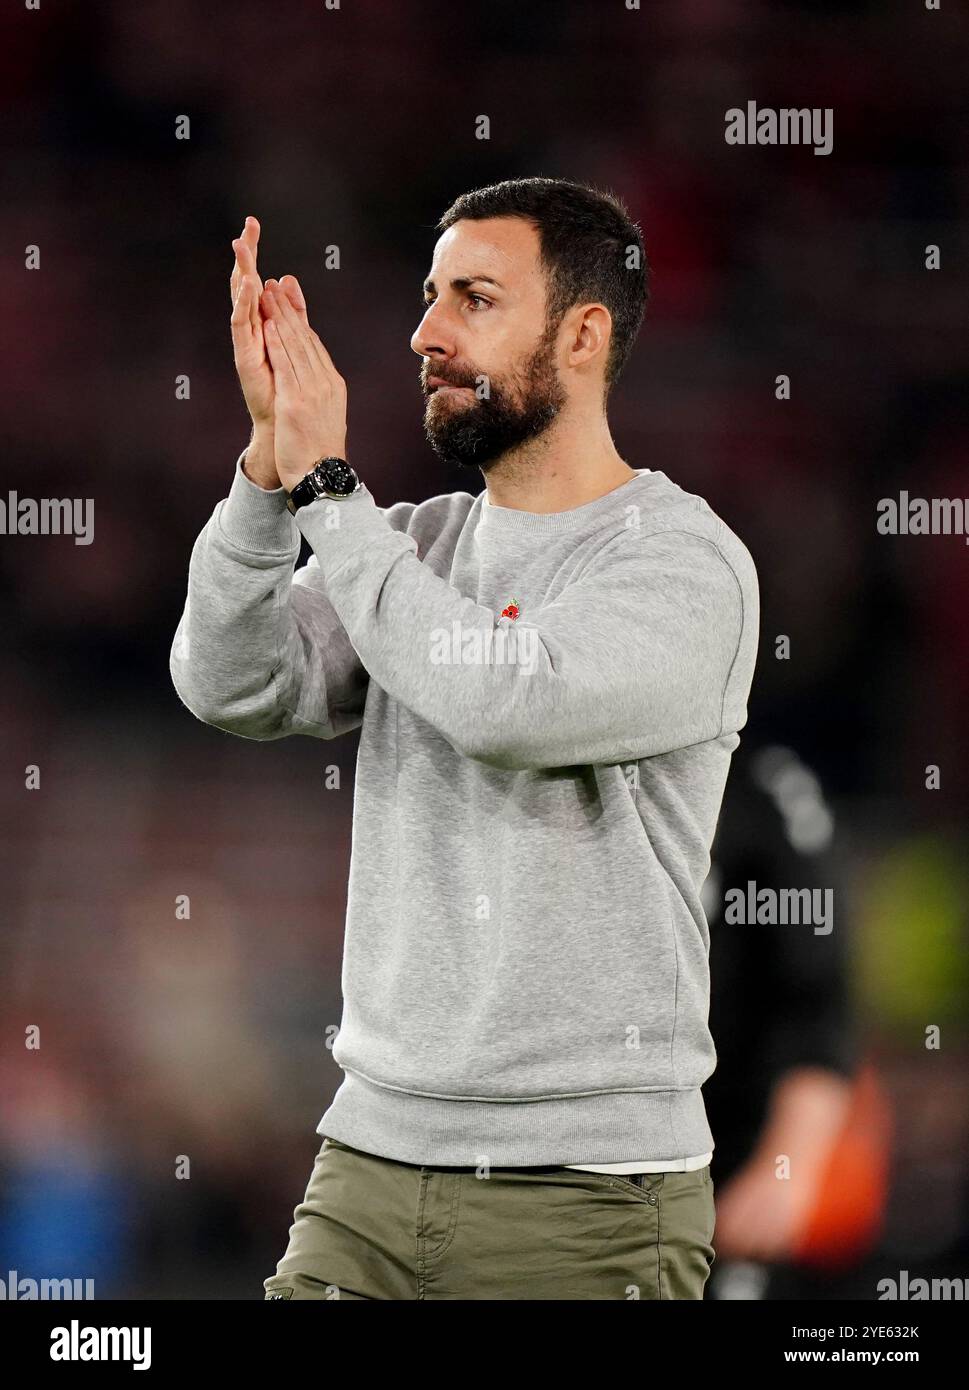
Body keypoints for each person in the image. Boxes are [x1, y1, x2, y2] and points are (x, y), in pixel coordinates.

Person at [170, 177, 760, 1300]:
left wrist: (329, 489)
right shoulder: (409, 547)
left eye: (475, 299)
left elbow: (506, 704)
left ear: (583, 336)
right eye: (430, 295)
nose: (425, 333)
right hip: (367, 1171)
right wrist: (264, 471)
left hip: (591, 1196)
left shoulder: (686, 565)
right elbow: (225, 680)